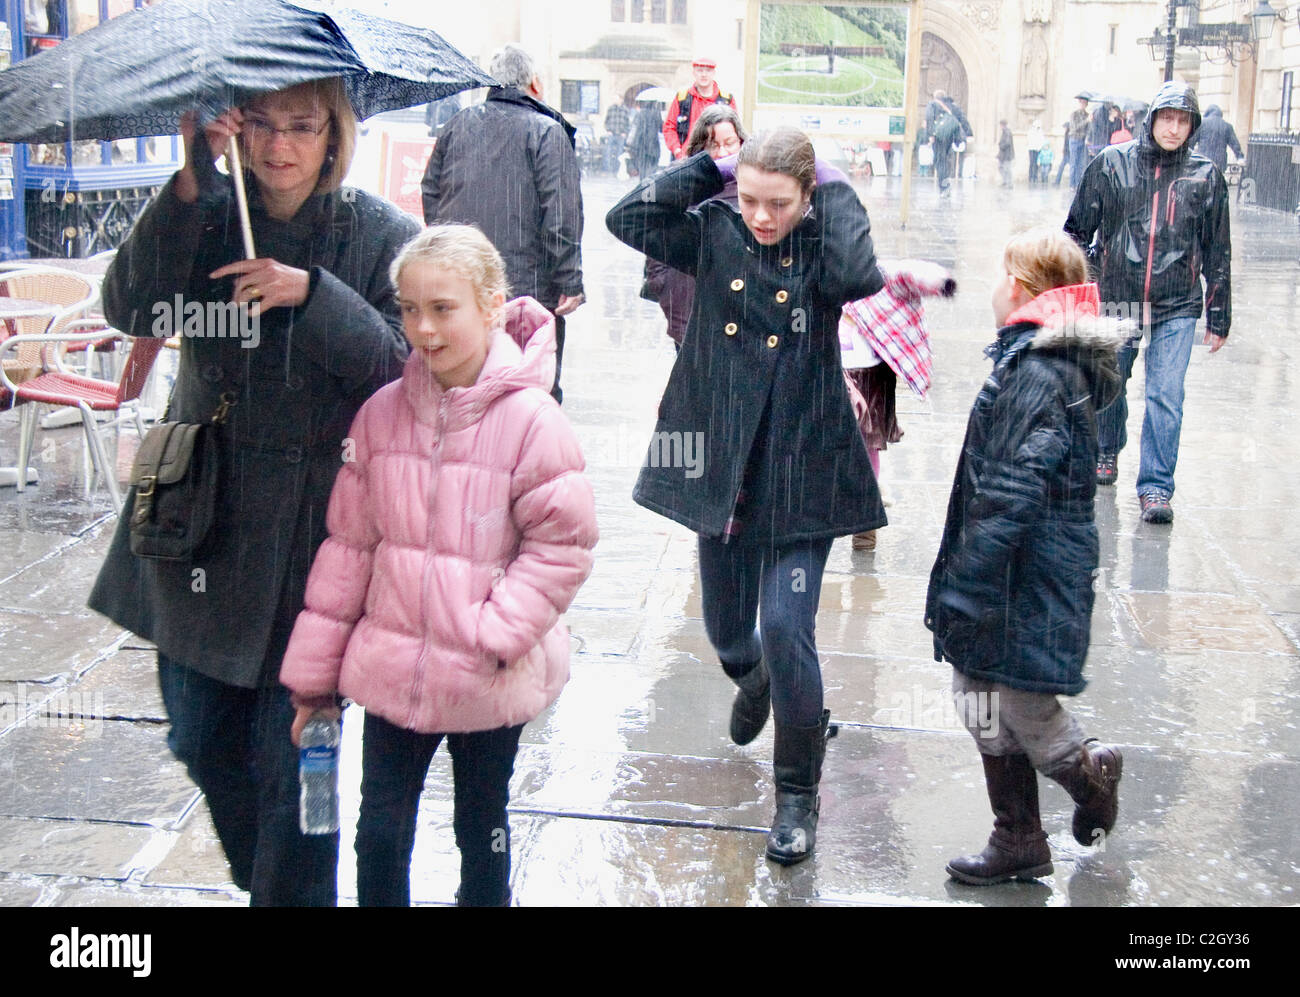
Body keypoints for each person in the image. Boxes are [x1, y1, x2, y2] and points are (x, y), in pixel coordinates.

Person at [87, 78, 421, 906]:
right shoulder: (206, 214)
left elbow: (405, 369)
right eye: (263, 126)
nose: (281, 147)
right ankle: (270, 884)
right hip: (201, 523)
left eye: (302, 127)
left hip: (317, 547)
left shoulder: (377, 234)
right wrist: (192, 178)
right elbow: (130, 304)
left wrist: (314, 295)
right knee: (200, 738)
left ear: (333, 133)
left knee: (297, 772)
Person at [280, 225, 598, 907]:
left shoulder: (534, 422)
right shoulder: (380, 416)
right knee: (380, 834)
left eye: (443, 308)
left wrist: (497, 630)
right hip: (394, 672)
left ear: (492, 304)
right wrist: (314, 681)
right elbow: (349, 550)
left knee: (481, 825)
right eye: (409, 308)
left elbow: (562, 547)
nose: (422, 328)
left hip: (490, 673)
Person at [606, 128, 887, 865]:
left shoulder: (822, 244)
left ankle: (797, 793)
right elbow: (626, 217)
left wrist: (836, 185)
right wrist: (710, 167)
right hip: (722, 456)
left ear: (807, 195)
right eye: (751, 199)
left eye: (780, 203)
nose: (762, 216)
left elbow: (861, 273)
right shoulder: (714, 230)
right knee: (729, 629)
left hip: (802, 464)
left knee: (789, 627)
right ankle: (757, 678)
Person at [926, 229, 1126, 886]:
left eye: (998, 274)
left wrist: (968, 579)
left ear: (1019, 287)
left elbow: (1011, 485)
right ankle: (1018, 836)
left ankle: (1089, 775)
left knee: (1024, 707)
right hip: (1022, 571)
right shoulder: (1038, 357)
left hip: (1023, 577)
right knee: (976, 691)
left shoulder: (1038, 370)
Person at [1065, 81, 1231, 523]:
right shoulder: (1110, 165)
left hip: (1177, 302)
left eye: (1182, 120)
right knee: (1109, 382)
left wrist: (1218, 312)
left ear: (1192, 126)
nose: (1173, 129)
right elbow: (1076, 233)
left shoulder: (1205, 175)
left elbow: (1218, 249)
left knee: (1166, 395)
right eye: (1167, 118)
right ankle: (1106, 448)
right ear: (1152, 118)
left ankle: (1156, 487)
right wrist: (1085, 286)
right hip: (1118, 297)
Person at [421, 43, 585, 405]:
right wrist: (569, 280)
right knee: (528, 386)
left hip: (461, 281)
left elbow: (431, 191)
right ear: (533, 83)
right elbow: (560, 213)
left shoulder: (458, 124)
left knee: (463, 383)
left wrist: (448, 249)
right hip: (525, 288)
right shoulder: (546, 132)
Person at [839, 260, 955, 550]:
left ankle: (866, 522)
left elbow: (910, 274)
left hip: (869, 376)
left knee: (868, 444)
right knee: (828, 446)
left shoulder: (878, 277)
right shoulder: (818, 273)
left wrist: (942, 282)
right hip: (830, 374)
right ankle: (833, 511)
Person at [642, 104, 747, 349]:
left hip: (740, 309)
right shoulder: (682, 182)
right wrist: (662, 284)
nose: (722, 152)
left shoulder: (754, 183)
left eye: (730, 142)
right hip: (689, 306)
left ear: (742, 141)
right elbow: (654, 232)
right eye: (713, 145)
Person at [662, 56, 738, 161]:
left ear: (714, 73)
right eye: (700, 70)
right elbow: (669, 127)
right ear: (694, 73)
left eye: (708, 70)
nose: (704, 74)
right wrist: (677, 150)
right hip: (687, 159)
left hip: (717, 158)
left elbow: (735, 131)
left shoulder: (727, 99)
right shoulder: (682, 98)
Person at [1195, 104, 1243, 175]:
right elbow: (1234, 144)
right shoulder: (1227, 126)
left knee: (1203, 181)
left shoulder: (1202, 123)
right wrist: (1240, 157)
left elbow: (1191, 141)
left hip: (1203, 160)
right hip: (1220, 162)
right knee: (1217, 182)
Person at [628, 99, 664, 180]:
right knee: (652, 169)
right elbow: (662, 128)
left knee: (642, 169)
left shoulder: (640, 113)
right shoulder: (656, 113)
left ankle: (643, 185)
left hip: (641, 145)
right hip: (653, 145)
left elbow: (634, 129)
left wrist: (631, 145)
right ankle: (650, 187)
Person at [603, 93, 633, 176]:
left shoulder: (625, 110)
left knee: (619, 153)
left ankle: (617, 170)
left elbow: (628, 123)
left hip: (621, 134)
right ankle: (608, 169)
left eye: (616, 98)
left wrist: (625, 132)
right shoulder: (610, 109)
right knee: (608, 152)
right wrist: (608, 130)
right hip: (611, 134)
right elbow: (606, 121)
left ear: (621, 99)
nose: (615, 100)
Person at [997, 119, 1015, 188]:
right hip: (1003, 154)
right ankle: (1005, 181)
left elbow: (1007, 143)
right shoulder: (1005, 132)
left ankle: (1009, 183)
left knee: (1007, 169)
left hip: (1007, 154)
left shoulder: (1007, 132)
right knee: (1001, 167)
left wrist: (1001, 145)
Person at [1026, 119, 1044, 185]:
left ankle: (1035, 177)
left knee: (1036, 163)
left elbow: (1042, 140)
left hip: (1037, 149)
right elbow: (1029, 140)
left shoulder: (1040, 131)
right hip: (1031, 148)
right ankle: (1031, 177)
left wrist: (1039, 147)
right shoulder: (1031, 131)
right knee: (1031, 163)